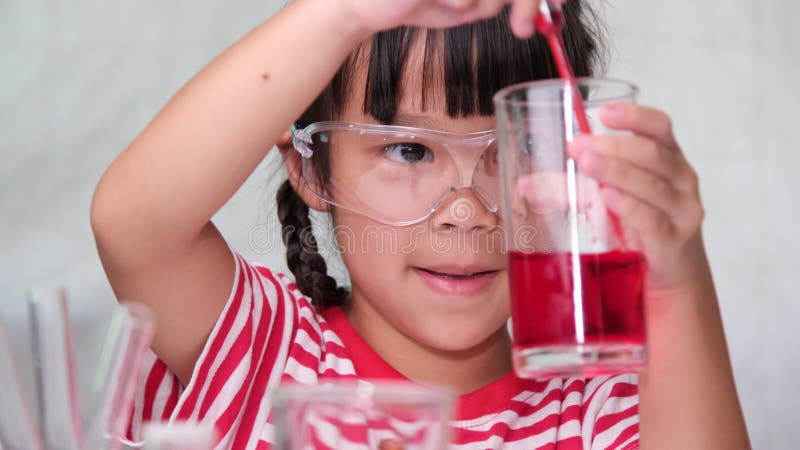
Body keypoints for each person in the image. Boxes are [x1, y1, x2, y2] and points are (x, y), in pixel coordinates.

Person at [90, 0, 750, 448]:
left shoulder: (600, 407)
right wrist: (351, 10)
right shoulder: (258, 349)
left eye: (508, 150)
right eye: (409, 150)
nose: (465, 212)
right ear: (314, 171)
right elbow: (134, 224)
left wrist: (675, 276)